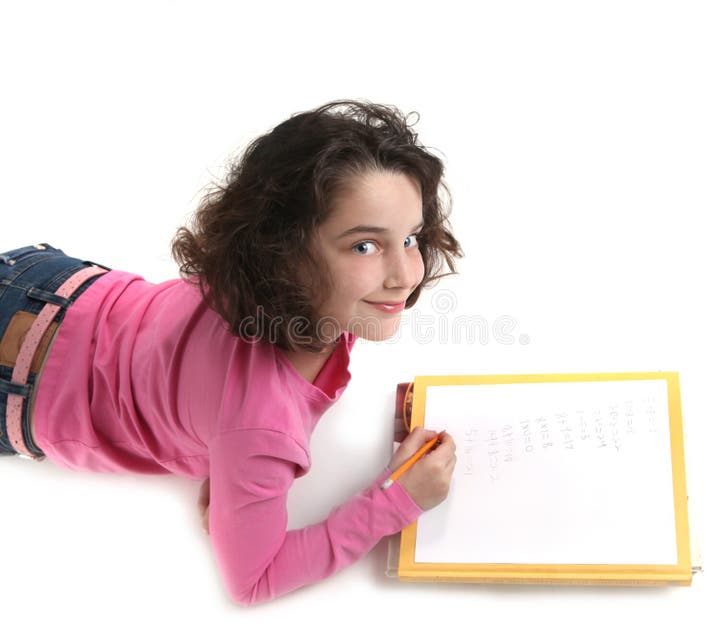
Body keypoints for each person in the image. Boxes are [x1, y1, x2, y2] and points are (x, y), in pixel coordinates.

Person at [0, 99, 462, 605]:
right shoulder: (262, 428)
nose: (405, 275)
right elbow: (253, 580)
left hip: (41, 277)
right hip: (15, 383)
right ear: (283, 253)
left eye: (411, 238)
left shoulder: (270, 287)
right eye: (365, 246)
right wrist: (397, 501)